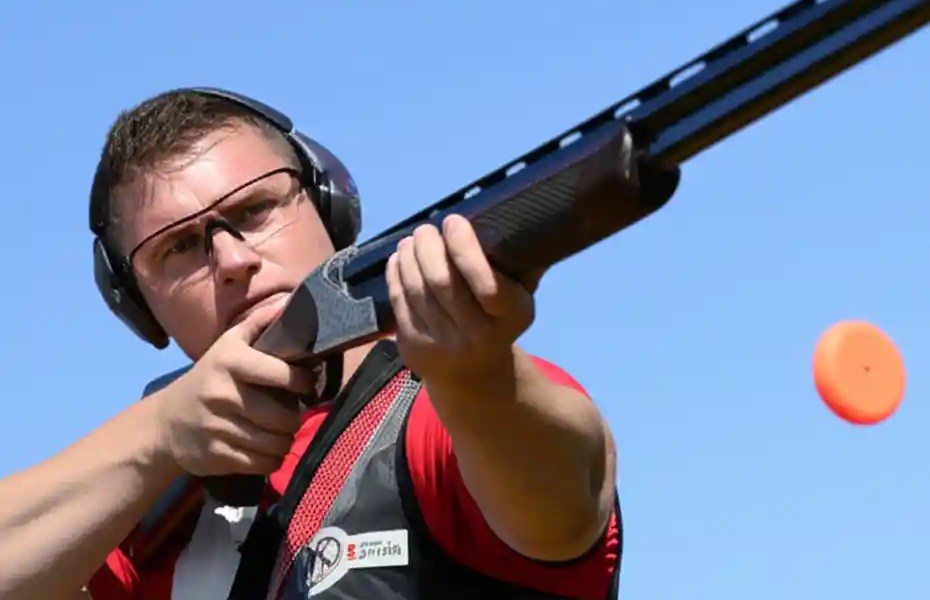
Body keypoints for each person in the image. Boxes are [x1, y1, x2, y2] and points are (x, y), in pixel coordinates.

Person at [0, 88, 622, 600]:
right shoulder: (153, 501)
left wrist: (481, 380)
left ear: (326, 207)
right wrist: (159, 434)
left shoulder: (441, 408)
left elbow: (566, 509)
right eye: (180, 248)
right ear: (138, 303)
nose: (232, 260)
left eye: (254, 211)